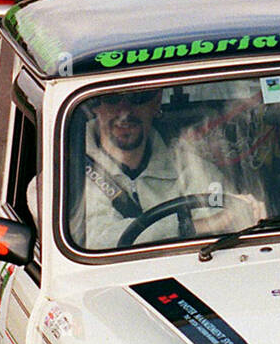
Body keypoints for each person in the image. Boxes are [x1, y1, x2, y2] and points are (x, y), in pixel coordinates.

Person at [70, 87, 260, 250]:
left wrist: (247, 211)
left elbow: (227, 225)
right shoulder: (65, 171)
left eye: (138, 97)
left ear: (156, 102)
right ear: (96, 105)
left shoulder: (186, 164)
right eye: (112, 98)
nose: (124, 112)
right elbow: (95, 242)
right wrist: (191, 227)